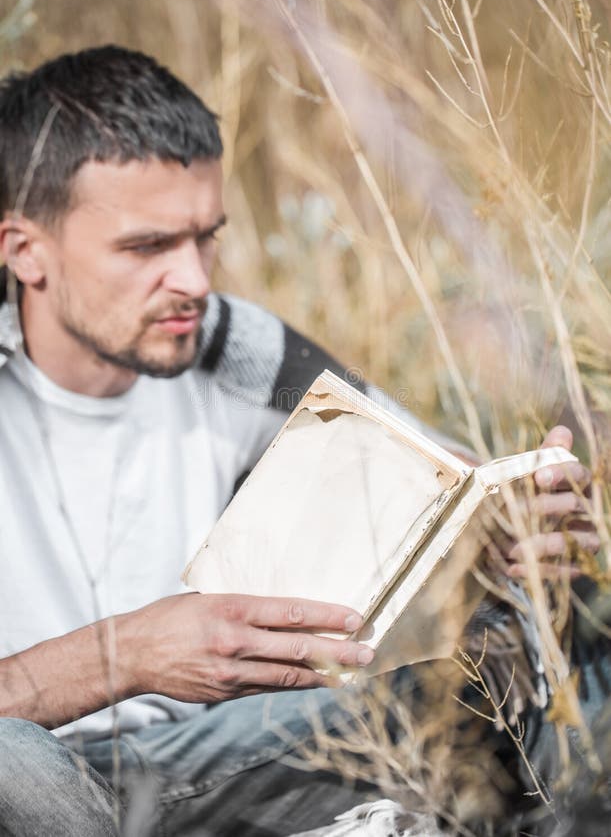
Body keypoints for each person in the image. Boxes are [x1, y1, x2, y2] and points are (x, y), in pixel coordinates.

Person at [0, 45, 604, 837]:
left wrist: (508, 532)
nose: (193, 280)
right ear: (24, 253)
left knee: (550, 655)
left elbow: (431, 478)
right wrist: (124, 655)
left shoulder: (234, 348)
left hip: (218, 757)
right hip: (39, 771)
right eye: (146, 247)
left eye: (204, 237)